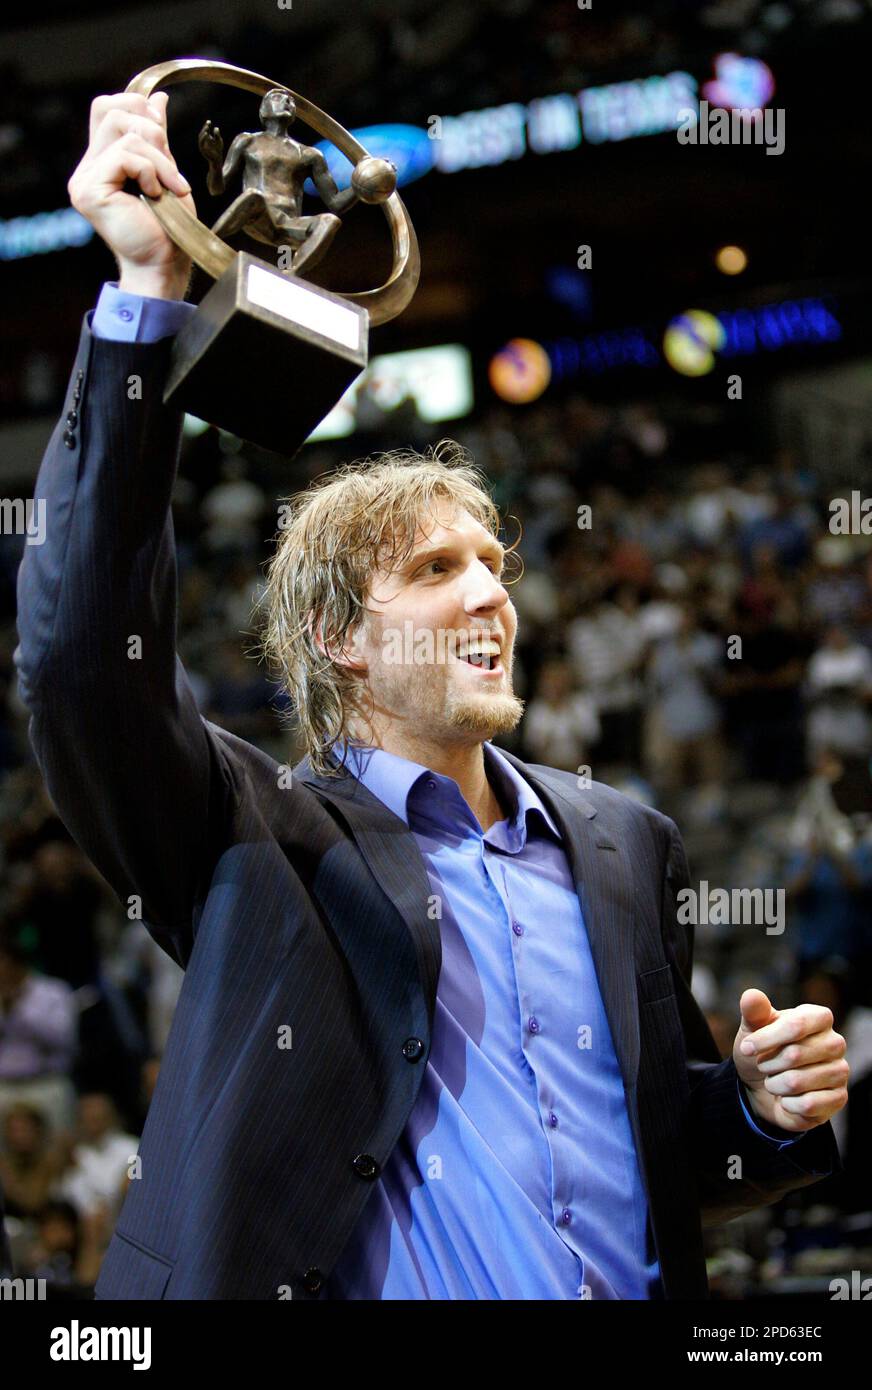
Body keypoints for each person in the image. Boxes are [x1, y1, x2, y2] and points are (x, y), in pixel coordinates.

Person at [10, 89, 849, 1302]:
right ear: (335, 637)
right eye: (434, 570)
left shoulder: (623, 843)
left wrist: (760, 1114)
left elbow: (652, 1152)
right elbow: (82, 662)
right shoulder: (254, 836)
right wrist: (147, 298)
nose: (488, 597)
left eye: (493, 566)